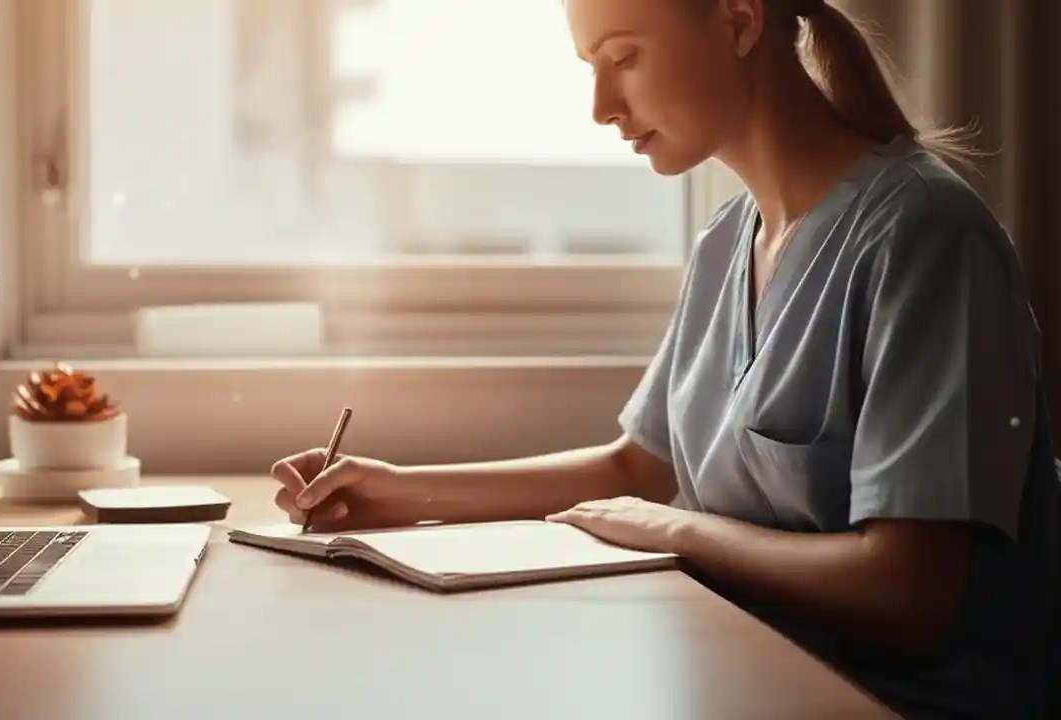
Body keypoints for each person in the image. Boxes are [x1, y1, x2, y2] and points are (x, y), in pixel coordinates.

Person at [268, 0, 1059, 717]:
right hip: (748, 674)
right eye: (592, 69)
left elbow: (908, 592)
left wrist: (680, 532)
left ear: (741, 21)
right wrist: (395, 494)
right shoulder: (726, 242)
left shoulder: (925, 238)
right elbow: (630, 470)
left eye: (625, 58)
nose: (602, 108)